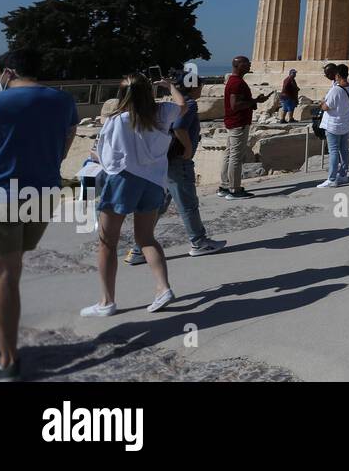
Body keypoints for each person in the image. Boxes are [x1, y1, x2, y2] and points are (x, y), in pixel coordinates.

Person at [0, 48, 78, 381]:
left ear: (7, 72)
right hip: (43, 194)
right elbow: (66, 141)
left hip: (3, 194)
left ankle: (8, 360)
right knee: (7, 271)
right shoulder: (63, 102)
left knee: (5, 276)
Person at [84, 72, 188, 318]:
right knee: (146, 238)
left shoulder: (116, 120)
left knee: (107, 241)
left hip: (123, 180)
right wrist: (170, 86)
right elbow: (183, 105)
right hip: (153, 181)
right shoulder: (162, 113)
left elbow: (108, 160)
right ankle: (163, 288)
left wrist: (94, 156)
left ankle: (106, 301)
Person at [126, 70, 224, 263]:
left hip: (164, 161)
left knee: (158, 206)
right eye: (200, 86)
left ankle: (138, 249)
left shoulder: (165, 105)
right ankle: (199, 242)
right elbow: (179, 126)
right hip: (179, 161)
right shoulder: (190, 104)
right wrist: (187, 148)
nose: (201, 90)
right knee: (188, 203)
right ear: (194, 87)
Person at [219, 55, 266, 199]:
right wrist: (252, 103)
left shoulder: (234, 81)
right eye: (246, 63)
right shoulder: (236, 83)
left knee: (229, 154)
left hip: (233, 122)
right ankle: (235, 189)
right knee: (235, 157)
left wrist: (255, 100)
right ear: (238, 65)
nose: (250, 64)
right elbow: (235, 105)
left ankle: (225, 186)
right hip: (238, 123)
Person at [317, 64, 349, 188]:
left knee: (333, 151)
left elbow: (326, 107)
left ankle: (332, 179)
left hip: (334, 125)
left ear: (338, 75)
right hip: (346, 123)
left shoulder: (336, 90)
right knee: (344, 150)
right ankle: (343, 175)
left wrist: (322, 103)